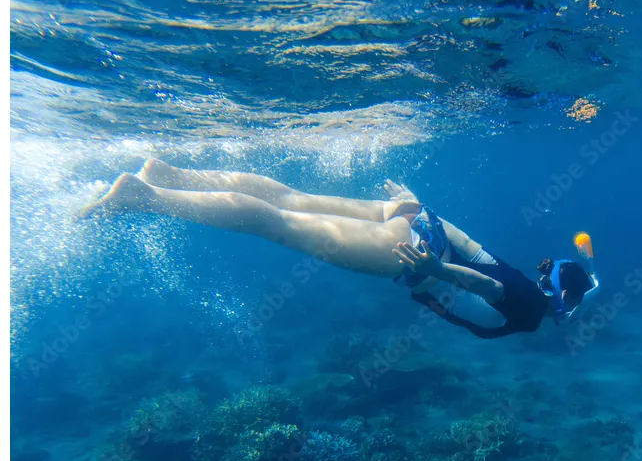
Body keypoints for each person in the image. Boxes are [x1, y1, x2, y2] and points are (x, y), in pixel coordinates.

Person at [83, 159, 599, 339]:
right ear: (562, 301)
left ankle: (171, 176)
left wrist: (416, 210)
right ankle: (147, 197)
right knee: (280, 223)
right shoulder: (531, 312)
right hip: (410, 253)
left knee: (293, 198)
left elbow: (478, 255)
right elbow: (480, 283)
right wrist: (434, 269)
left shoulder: (527, 282)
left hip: (420, 221)